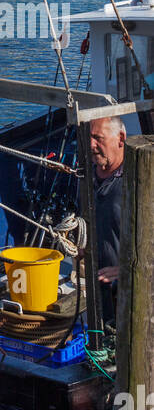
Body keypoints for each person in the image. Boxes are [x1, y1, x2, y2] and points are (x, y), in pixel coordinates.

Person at [89, 116, 125, 297]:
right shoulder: (86, 175)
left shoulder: (139, 178)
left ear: (121, 138)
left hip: (130, 290)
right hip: (96, 287)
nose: (91, 145)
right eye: (89, 137)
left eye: (98, 138)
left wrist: (125, 270)